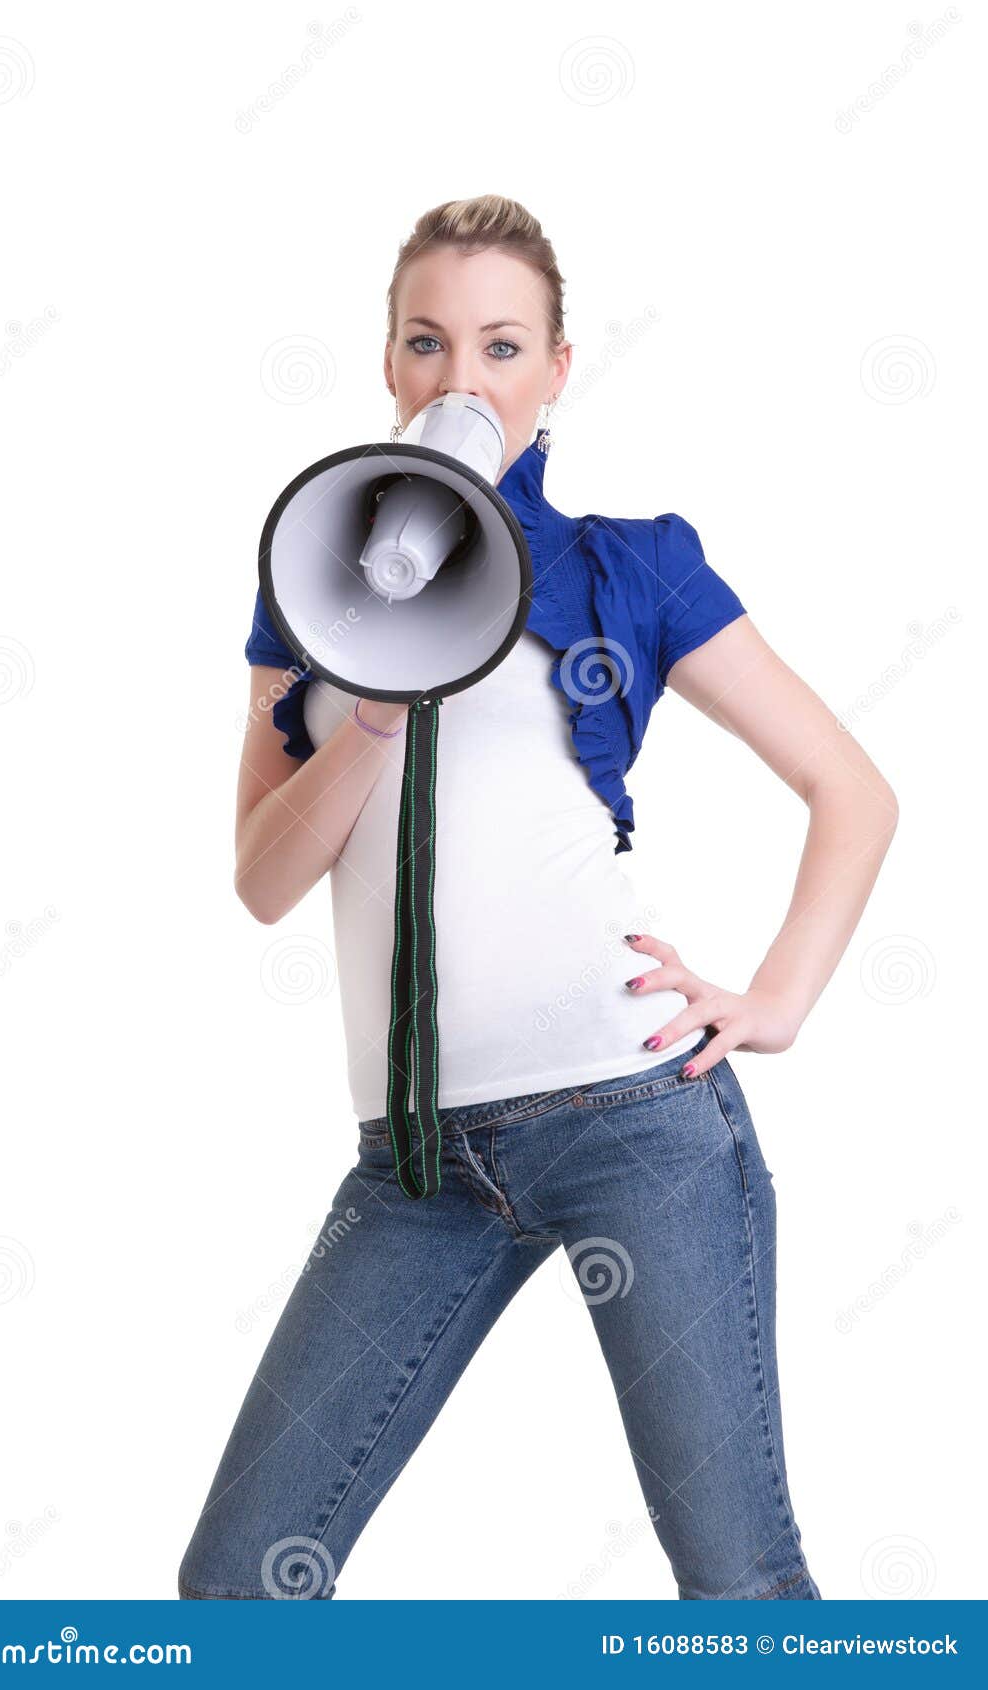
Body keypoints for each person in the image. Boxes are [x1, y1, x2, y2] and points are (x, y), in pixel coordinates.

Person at [178, 195, 898, 1602]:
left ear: (557, 368)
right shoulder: (312, 587)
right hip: (417, 1167)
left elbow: (852, 788)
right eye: (429, 342)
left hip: (636, 1123)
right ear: (389, 365)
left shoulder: (631, 564)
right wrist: (372, 711)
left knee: (736, 1582)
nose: (464, 378)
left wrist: (777, 1000)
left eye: (502, 346)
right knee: (241, 1585)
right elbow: (264, 880)